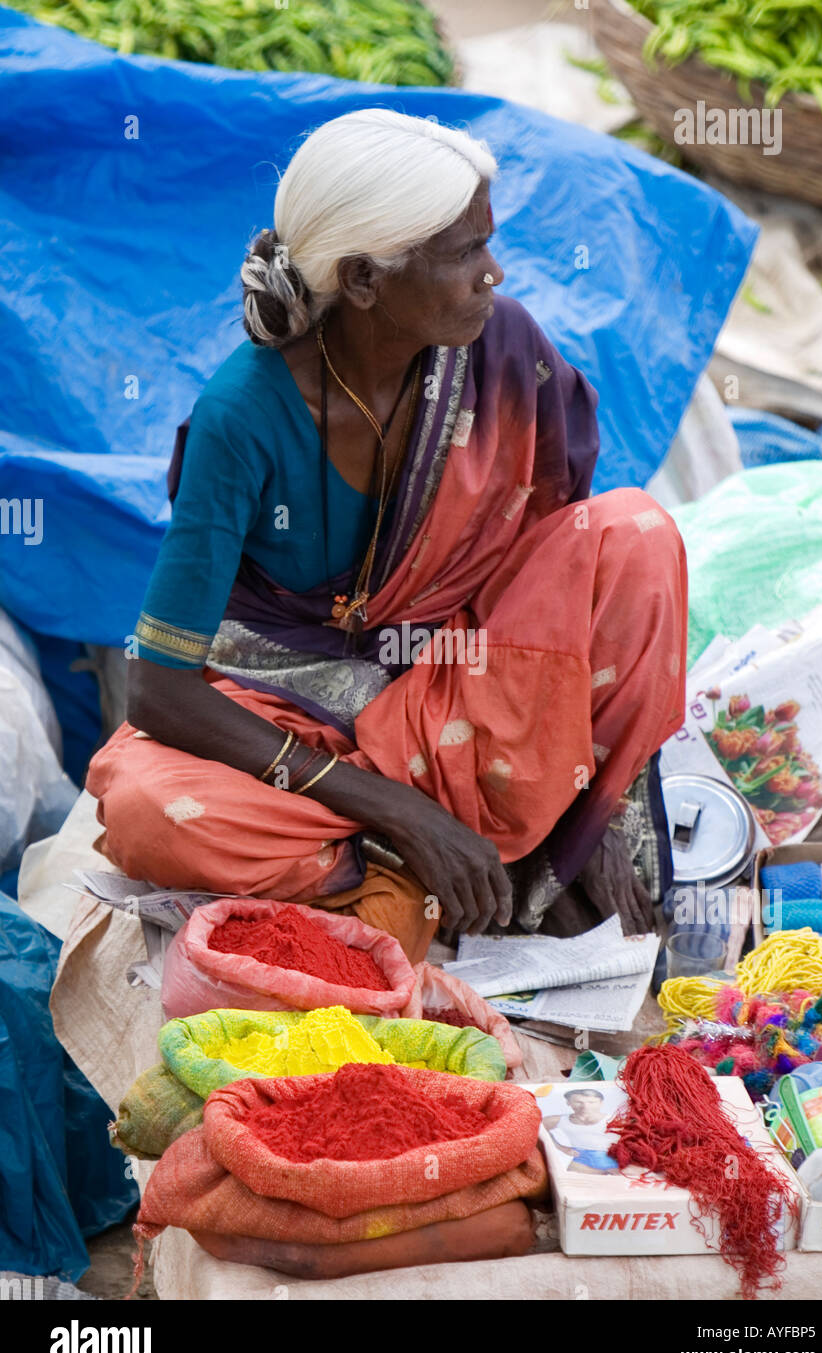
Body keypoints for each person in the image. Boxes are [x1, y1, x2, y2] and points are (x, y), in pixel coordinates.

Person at [86, 109, 687, 962]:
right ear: (364, 280)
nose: (494, 272)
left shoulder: (505, 349)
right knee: (154, 807)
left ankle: (536, 852)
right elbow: (159, 688)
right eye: (464, 254)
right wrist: (394, 806)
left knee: (637, 533)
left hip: (455, 696)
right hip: (302, 713)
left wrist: (583, 794)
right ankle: (410, 860)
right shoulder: (243, 414)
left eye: (489, 243)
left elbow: (558, 568)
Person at [542, 1088, 619, 1173]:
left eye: (591, 1102)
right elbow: (539, 1128)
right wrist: (559, 1147)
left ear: (601, 1103)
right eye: (578, 1102)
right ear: (568, 1102)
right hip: (580, 1161)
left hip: (611, 1158)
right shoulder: (559, 1120)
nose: (585, 1107)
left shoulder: (615, 1120)